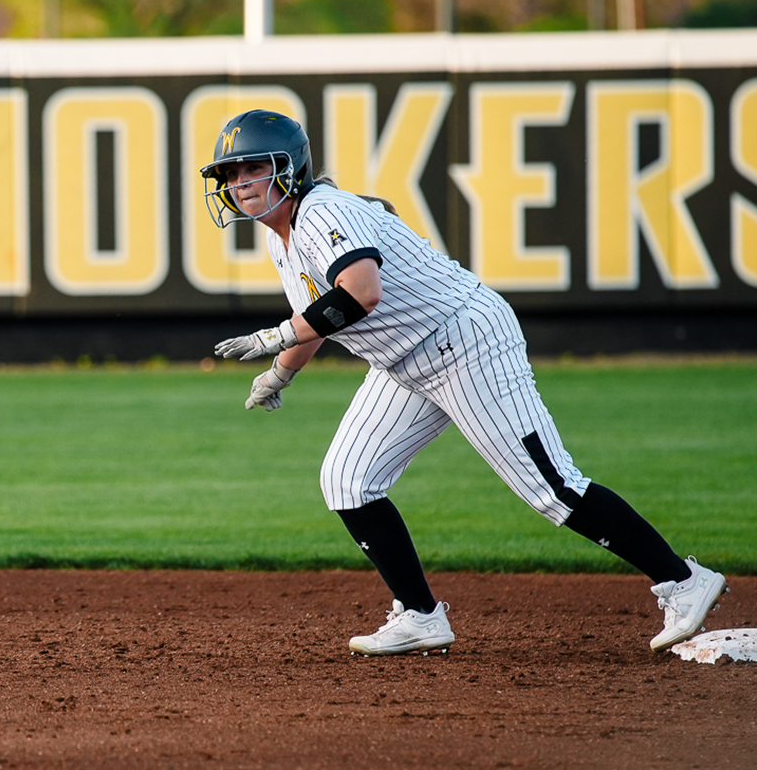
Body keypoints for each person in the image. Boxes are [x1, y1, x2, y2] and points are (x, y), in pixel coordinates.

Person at [202, 108, 726, 655]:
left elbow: (359, 292)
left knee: (551, 487)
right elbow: (319, 313)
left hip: (463, 341)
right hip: (404, 362)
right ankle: (420, 616)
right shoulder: (280, 237)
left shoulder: (320, 210)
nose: (240, 185)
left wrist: (277, 335)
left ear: (289, 167)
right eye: (231, 176)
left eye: (251, 169)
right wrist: (280, 371)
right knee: (347, 480)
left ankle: (683, 581)